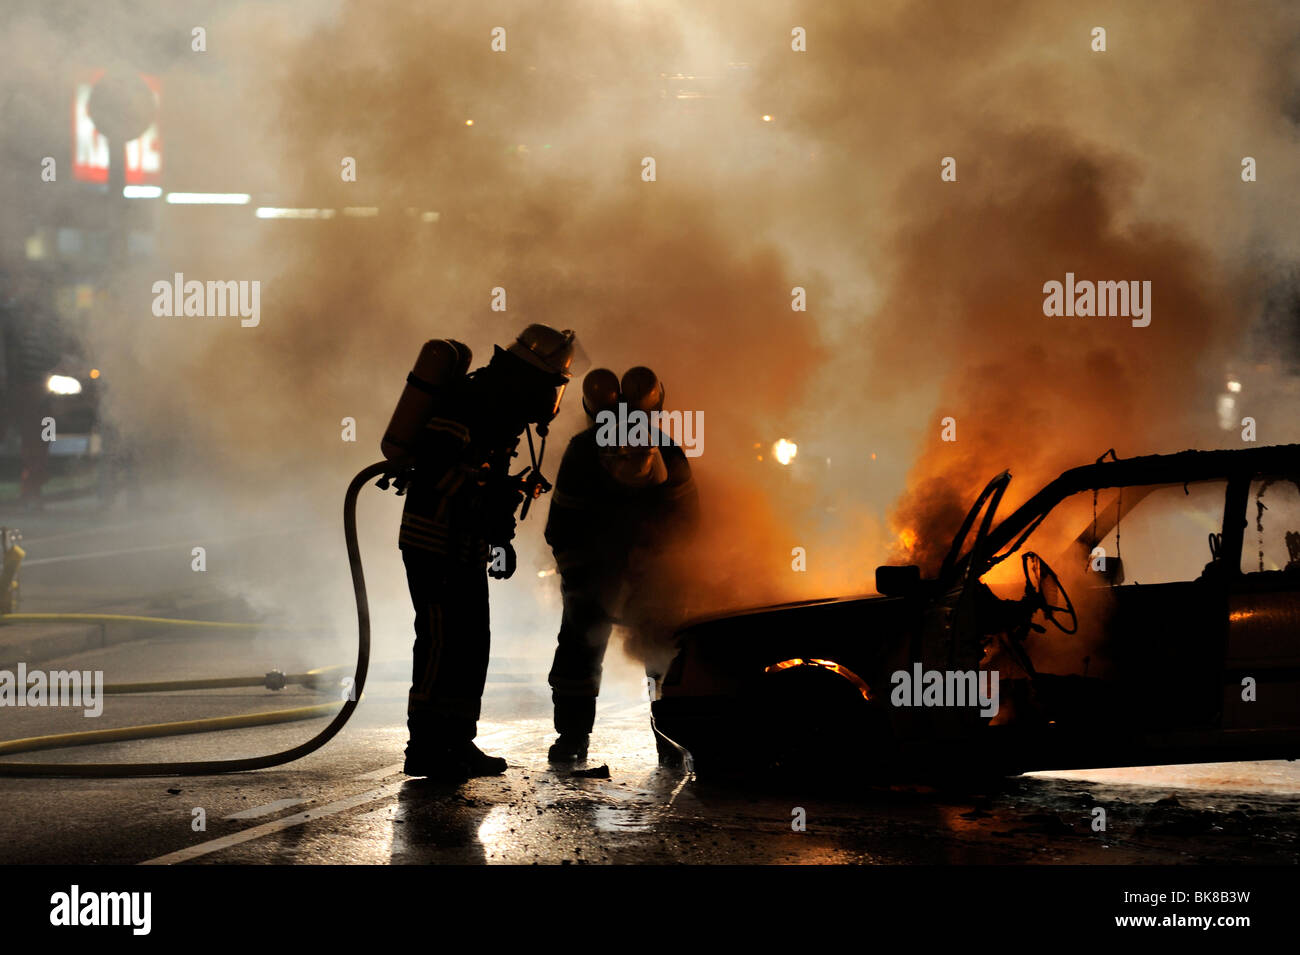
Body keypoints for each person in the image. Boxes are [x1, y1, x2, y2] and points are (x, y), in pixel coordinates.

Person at [383, 323, 577, 780]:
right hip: (434, 540)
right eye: (552, 385)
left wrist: (500, 536)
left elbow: (484, 484)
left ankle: (456, 741)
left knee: (471, 644)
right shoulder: (475, 401)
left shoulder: (502, 408)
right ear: (532, 376)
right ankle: (426, 746)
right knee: (440, 644)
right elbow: (436, 470)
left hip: (463, 543)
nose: (551, 397)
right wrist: (487, 492)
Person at [544, 366, 699, 762]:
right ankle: (664, 744)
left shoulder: (585, 450)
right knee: (648, 654)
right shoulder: (665, 450)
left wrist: (580, 579)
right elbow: (691, 524)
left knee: (593, 651)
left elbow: (560, 525)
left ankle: (579, 739)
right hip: (618, 570)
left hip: (630, 571)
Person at [0, 275, 62, 508]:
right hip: (14, 387)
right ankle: (31, 488)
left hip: (36, 387)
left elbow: (54, 352)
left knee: (40, 439)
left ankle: (33, 488)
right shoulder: (9, 316)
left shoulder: (48, 323)